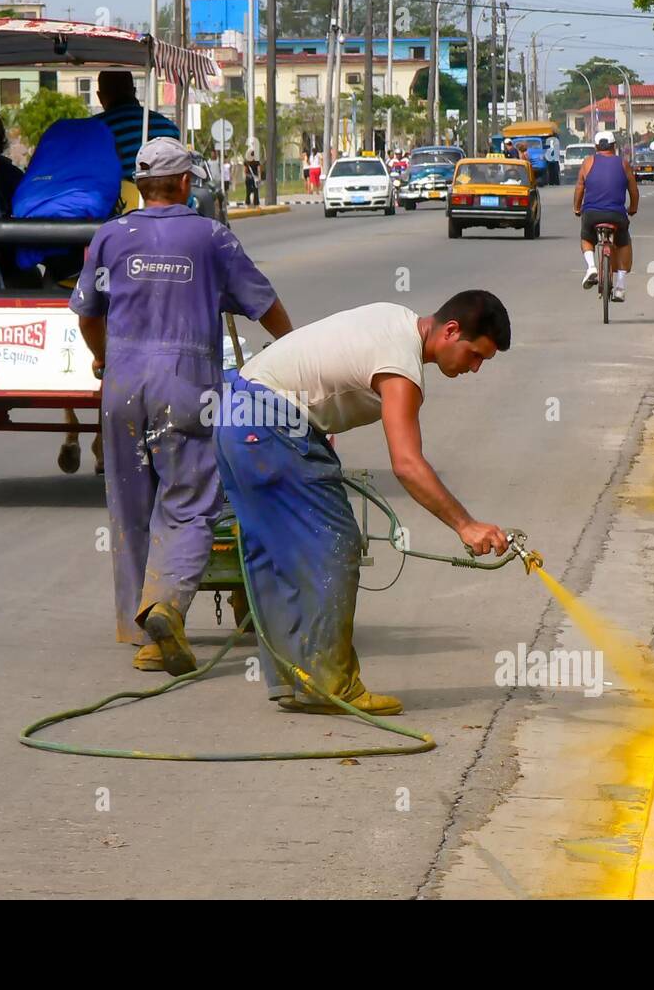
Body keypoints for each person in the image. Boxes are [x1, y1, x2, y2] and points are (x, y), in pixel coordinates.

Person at [215, 292, 512, 716]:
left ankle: (291, 680)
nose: (474, 367)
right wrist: (466, 525)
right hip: (271, 427)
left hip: (235, 416)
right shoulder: (402, 367)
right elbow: (408, 465)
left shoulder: (396, 319)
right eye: (474, 354)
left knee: (272, 552)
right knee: (335, 545)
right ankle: (329, 684)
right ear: (450, 331)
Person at [73, 137, 294, 674]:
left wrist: (105, 363)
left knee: (130, 505)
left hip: (122, 387)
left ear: (141, 184)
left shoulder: (110, 236)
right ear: (186, 182)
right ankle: (166, 608)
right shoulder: (212, 236)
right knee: (191, 503)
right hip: (188, 386)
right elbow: (264, 306)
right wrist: (292, 358)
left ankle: (139, 630)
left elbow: (86, 315)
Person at [574, 132, 639, 303]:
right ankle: (620, 287)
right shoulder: (623, 163)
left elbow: (580, 188)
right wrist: (633, 208)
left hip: (592, 214)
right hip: (617, 214)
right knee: (623, 242)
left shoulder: (588, 162)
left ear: (596, 147)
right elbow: (633, 190)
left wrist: (576, 208)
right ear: (614, 146)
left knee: (586, 236)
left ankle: (591, 266)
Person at [93, 70, 180, 179]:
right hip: (164, 194)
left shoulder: (93, 130)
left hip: (117, 195)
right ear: (134, 91)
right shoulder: (168, 126)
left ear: (100, 96)